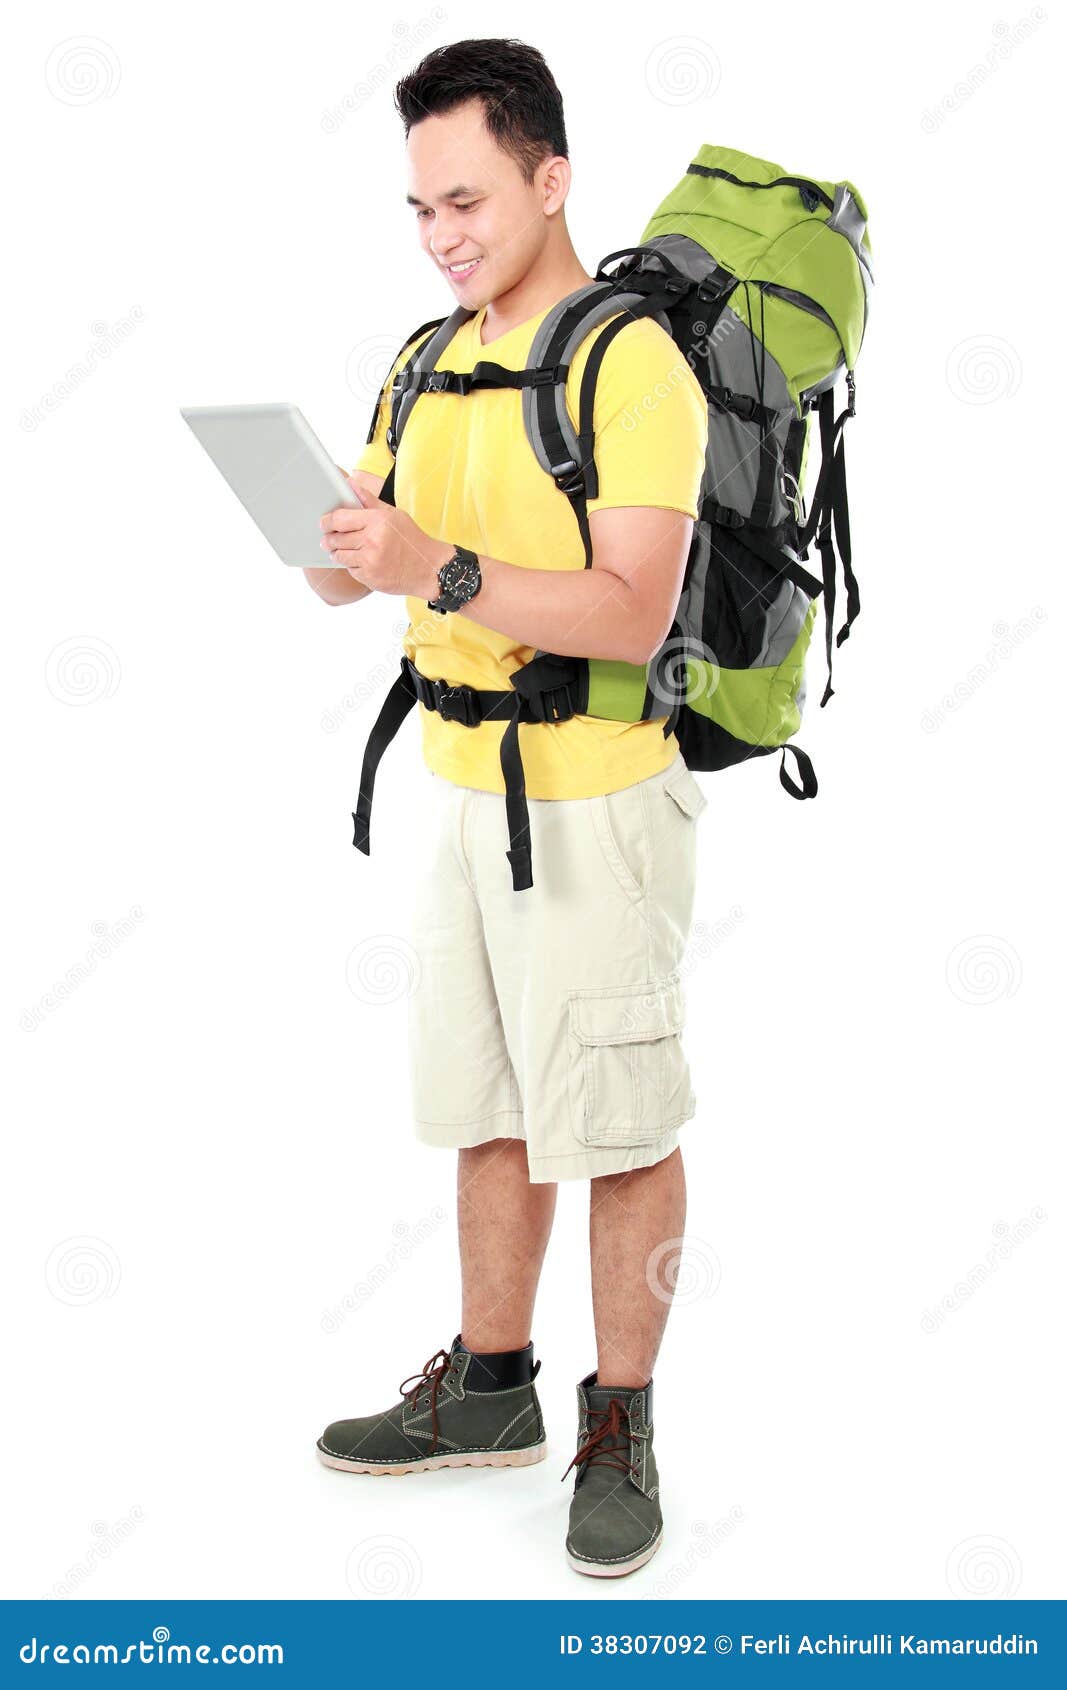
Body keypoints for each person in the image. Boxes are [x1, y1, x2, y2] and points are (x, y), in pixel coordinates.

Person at [307, 37, 708, 1579]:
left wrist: (438, 568)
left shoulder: (631, 363)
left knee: (618, 1122)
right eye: (420, 208)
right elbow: (357, 570)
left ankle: (623, 1425)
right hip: (463, 787)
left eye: (466, 200)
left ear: (552, 179)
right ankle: (488, 1387)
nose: (442, 235)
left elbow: (631, 605)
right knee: (484, 1101)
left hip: (598, 796)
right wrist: (333, 542)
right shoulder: (424, 358)